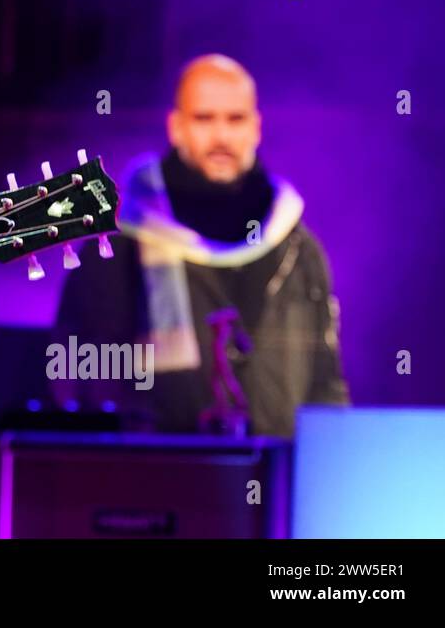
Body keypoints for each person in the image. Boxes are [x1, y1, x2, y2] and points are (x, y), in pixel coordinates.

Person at [52, 55, 349, 437]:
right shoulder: (120, 244)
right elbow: (77, 379)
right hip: (156, 482)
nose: (222, 137)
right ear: (175, 127)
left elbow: (326, 385)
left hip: (278, 483)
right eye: (204, 119)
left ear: (256, 128)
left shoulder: (297, 249)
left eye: (235, 119)